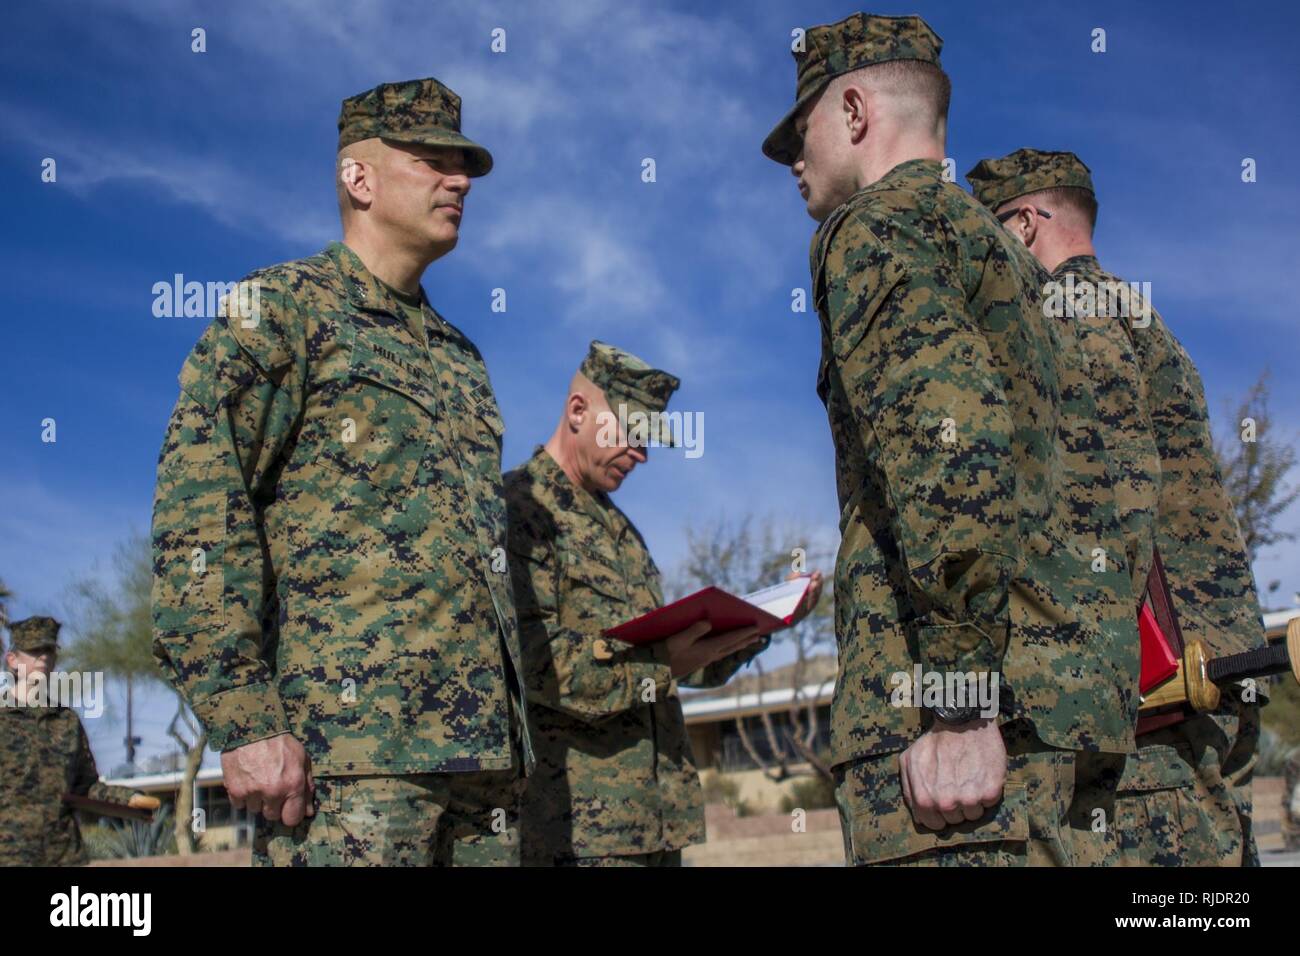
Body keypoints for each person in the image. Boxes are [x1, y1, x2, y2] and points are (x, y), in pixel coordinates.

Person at [762, 12, 1138, 865]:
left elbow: (950, 447)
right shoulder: (999, 253)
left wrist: (961, 701)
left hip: (952, 742)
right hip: (1058, 716)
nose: (794, 158)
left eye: (801, 130)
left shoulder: (874, 227)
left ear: (854, 112)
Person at [150, 77, 531, 866]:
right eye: (432, 160)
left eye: (463, 167)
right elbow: (200, 510)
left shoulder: (462, 359)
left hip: (483, 770)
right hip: (347, 766)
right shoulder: (282, 310)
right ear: (358, 178)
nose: (458, 181)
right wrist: (245, 717)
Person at [967, 148, 1267, 865]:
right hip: (1199, 678)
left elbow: (1114, 496)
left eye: (992, 235)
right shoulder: (1136, 314)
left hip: (1144, 707)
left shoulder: (1066, 313)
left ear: (1028, 223)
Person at [505, 341, 821, 865]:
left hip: (656, 828)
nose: (642, 453)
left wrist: (769, 621)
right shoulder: (520, 510)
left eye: (649, 439)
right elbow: (530, 660)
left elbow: (680, 665)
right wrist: (662, 664)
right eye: (630, 432)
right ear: (577, 411)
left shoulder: (624, 534)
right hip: (575, 834)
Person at [0, 616, 158, 866]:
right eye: (34, 651)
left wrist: (127, 799)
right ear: (13, 661)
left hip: (63, 856)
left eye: (49, 650)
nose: (42, 657)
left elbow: (86, 786)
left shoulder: (66, 720)